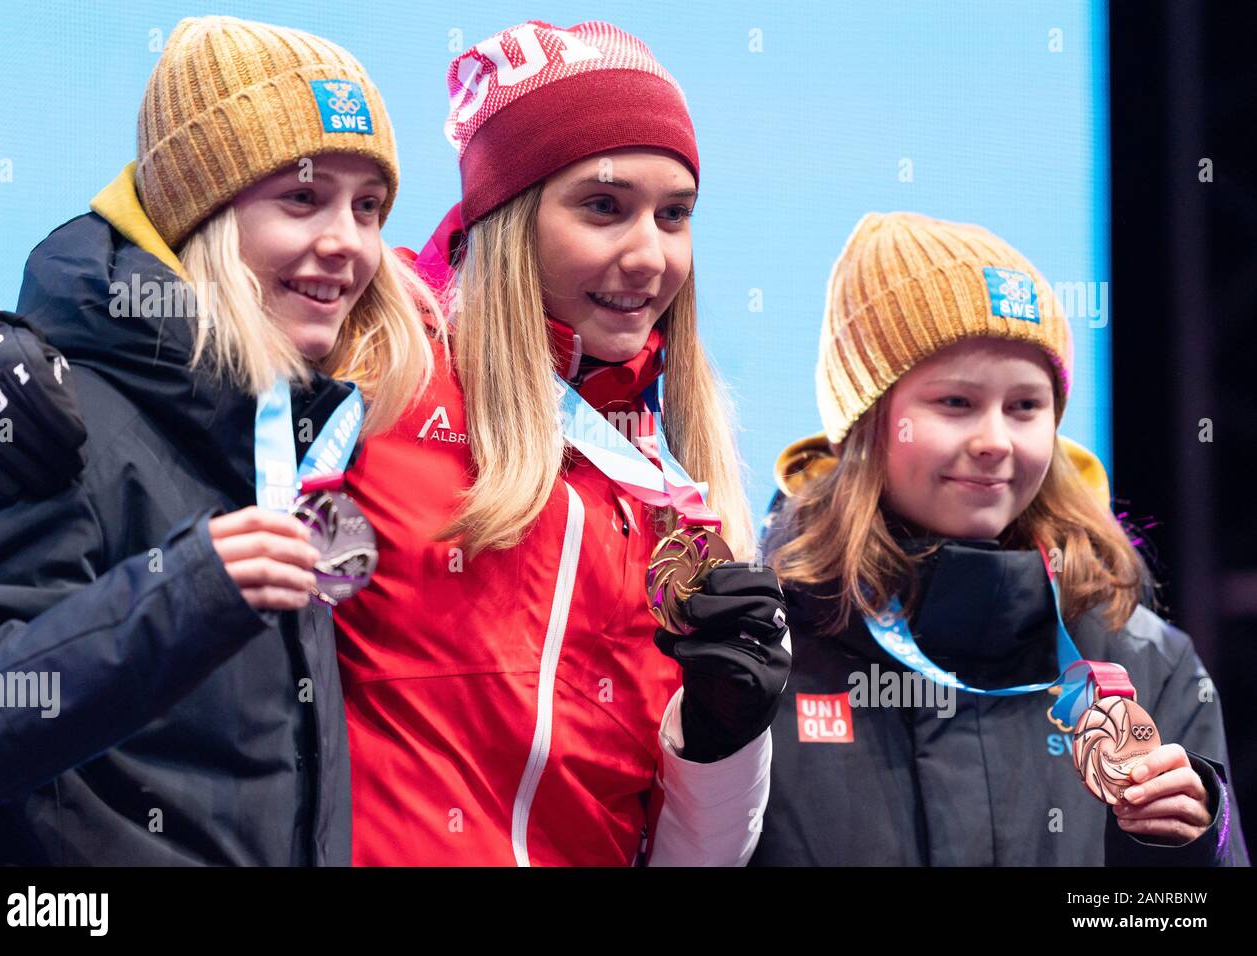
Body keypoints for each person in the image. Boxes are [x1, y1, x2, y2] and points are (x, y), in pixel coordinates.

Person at [0, 15, 436, 865]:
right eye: (302, 197)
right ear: (200, 214)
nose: (347, 244)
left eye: (368, 207)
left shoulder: (288, 440)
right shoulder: (51, 417)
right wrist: (182, 593)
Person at [335, 20, 791, 866]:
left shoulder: (682, 494)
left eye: (675, 214)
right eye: (604, 207)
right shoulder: (374, 361)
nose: (650, 254)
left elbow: (697, 859)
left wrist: (723, 740)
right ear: (509, 216)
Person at [750, 211, 1248, 866]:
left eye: (1025, 407)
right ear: (867, 423)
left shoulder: (1146, 659)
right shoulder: (766, 648)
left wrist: (1186, 851)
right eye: (955, 403)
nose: (994, 442)